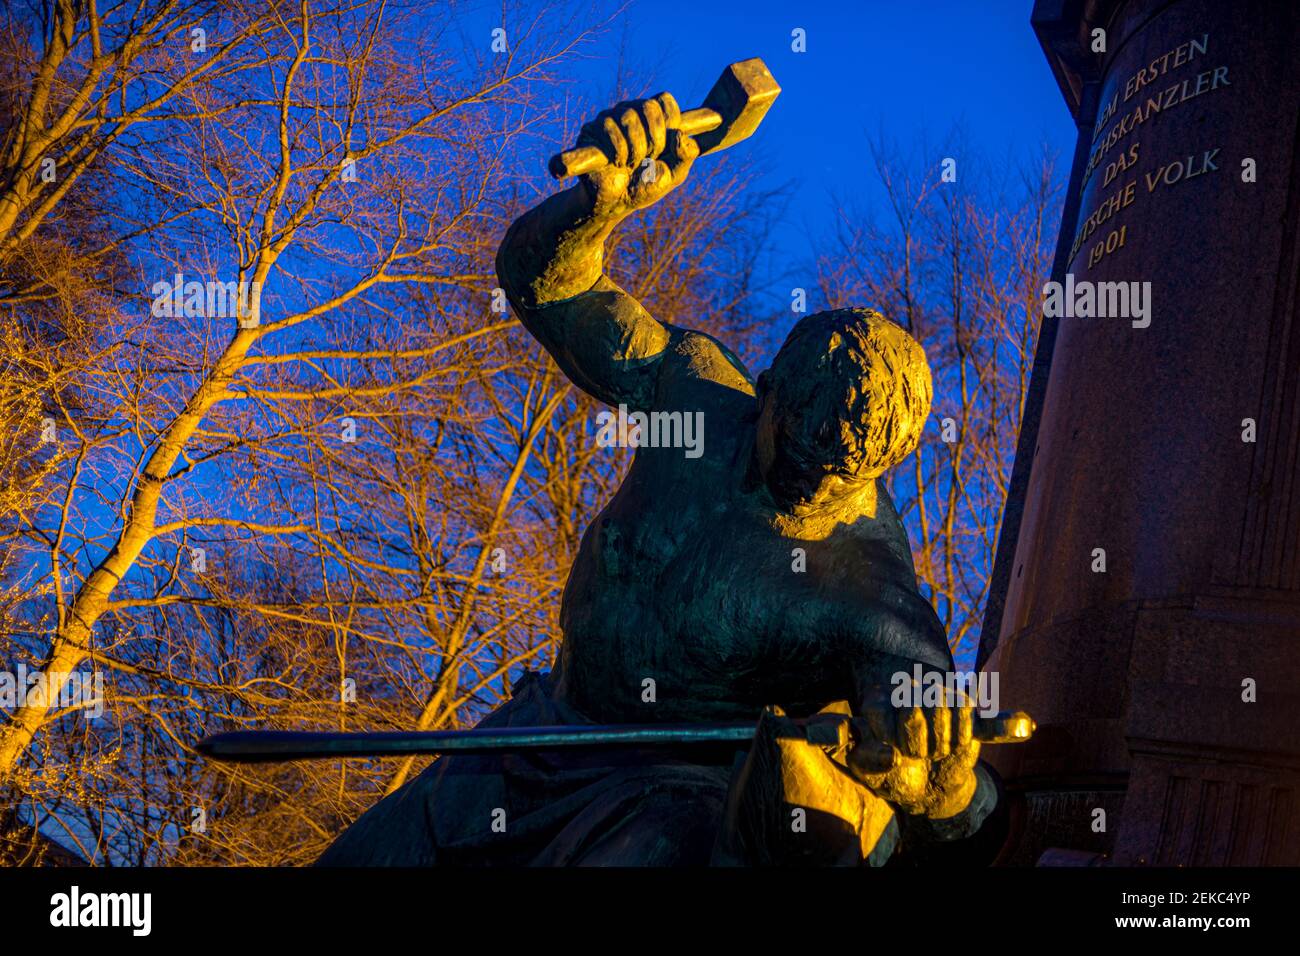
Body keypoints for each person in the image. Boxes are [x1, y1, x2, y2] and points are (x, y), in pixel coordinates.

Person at [318, 94, 1006, 866]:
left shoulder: (870, 591)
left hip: (671, 798)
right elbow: (545, 286)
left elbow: (962, 801)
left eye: (832, 483)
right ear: (766, 387)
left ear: (880, 469)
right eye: (795, 458)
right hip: (532, 740)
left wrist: (940, 785)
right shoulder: (696, 392)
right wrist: (593, 210)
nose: (806, 493)